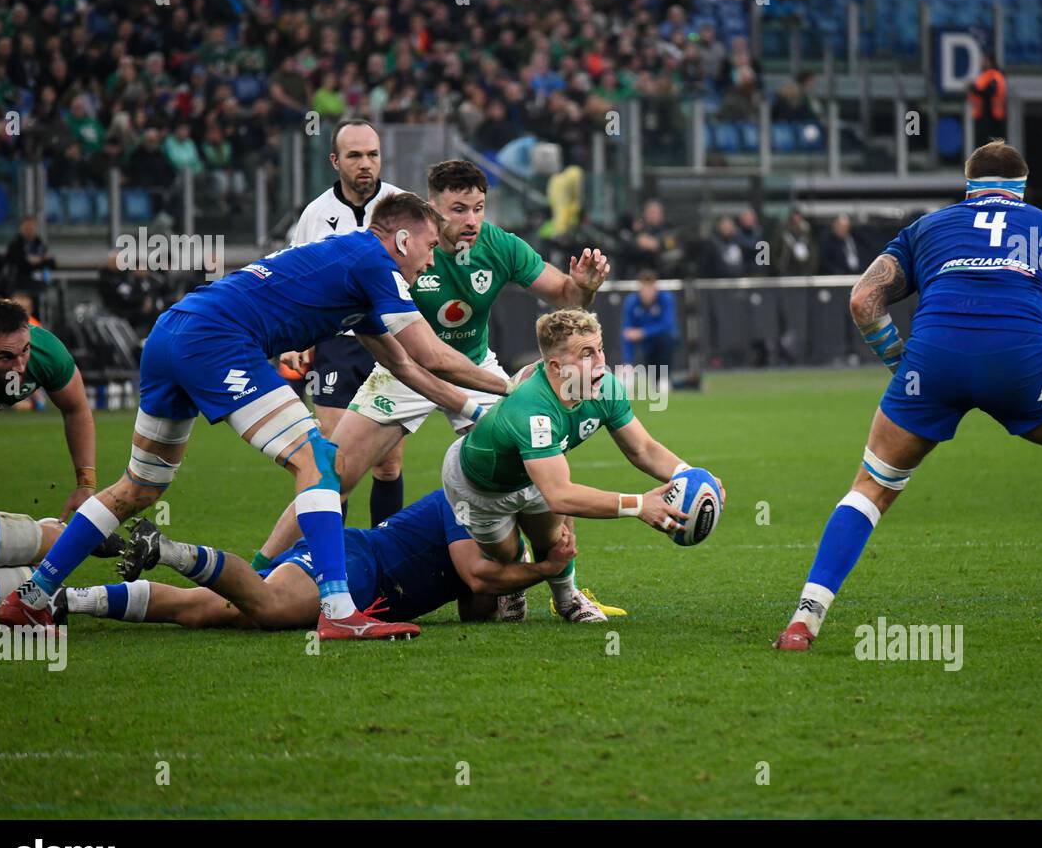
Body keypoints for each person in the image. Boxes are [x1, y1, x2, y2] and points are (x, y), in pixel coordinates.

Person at [0, 194, 516, 640]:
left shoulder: (357, 265)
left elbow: (404, 365)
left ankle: (33, 595)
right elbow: (433, 355)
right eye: (428, 248)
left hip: (172, 332)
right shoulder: (376, 264)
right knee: (318, 461)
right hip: (216, 340)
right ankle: (339, 612)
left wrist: (473, 406)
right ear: (403, 240)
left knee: (138, 487)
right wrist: (513, 385)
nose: (431, 263)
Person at [775, 141, 1042, 651]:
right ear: (1023, 185)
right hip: (1021, 364)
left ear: (968, 182)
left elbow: (863, 299)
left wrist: (903, 369)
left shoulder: (929, 227)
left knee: (872, 486)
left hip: (934, 363)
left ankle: (805, 620)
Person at [252, 159, 611, 589]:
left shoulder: (501, 246)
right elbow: (364, 312)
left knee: (543, 463)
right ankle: (260, 569)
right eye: (459, 209)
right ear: (433, 207)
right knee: (333, 472)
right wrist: (300, 339)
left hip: (474, 367)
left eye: (479, 207)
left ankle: (566, 593)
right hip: (403, 372)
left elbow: (567, 296)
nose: (472, 220)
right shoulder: (403, 248)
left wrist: (585, 286)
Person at [442, 309, 723, 622]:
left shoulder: (604, 387)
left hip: (537, 476)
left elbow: (642, 449)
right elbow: (560, 495)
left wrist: (694, 477)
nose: (600, 361)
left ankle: (567, 600)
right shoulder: (532, 408)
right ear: (555, 366)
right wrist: (639, 504)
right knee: (506, 555)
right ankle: (514, 581)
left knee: (553, 538)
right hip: (480, 487)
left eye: (600, 348)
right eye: (586, 354)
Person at [55, 490, 578, 633]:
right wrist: (541, 573)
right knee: (273, 606)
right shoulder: (468, 492)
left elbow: (472, 605)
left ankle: (72, 601)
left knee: (207, 611)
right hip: (358, 561)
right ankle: (167, 550)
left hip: (371, 584)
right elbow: (473, 574)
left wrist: (512, 586)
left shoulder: (501, 521)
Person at [279, 119, 406, 526]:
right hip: (338, 343)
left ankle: (386, 559)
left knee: (388, 466)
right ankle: (325, 563)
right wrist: (295, 338)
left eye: (372, 154)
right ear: (335, 160)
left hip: (391, 343)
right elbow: (296, 283)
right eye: (354, 156)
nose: (365, 164)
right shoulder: (315, 215)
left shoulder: (402, 207)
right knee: (335, 463)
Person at [0, 300, 98, 621]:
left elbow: (77, 408)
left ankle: (45, 556)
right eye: (6, 357)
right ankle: (33, 576)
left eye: (24, 351)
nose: (21, 365)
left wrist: (86, 485)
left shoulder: (45, 351)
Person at [621, 271, 678, 386]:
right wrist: (628, 361)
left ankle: (664, 378)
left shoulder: (666, 299)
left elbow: (667, 325)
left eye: (649, 289)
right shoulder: (631, 302)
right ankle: (628, 371)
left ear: (655, 288)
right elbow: (627, 332)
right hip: (647, 345)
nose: (646, 293)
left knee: (666, 338)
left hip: (664, 344)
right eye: (643, 289)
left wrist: (643, 332)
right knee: (653, 381)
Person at [2, 216, 56, 318]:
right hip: (20, 285)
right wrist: (37, 261)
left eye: (31, 228)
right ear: (21, 229)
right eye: (27, 228)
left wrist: (37, 261)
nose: (29, 231)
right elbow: (20, 263)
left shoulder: (39, 244)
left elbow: (52, 263)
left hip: (38, 284)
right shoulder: (16, 245)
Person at [966, 54, 1007, 148]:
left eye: (984, 60)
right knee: (982, 144)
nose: (982, 63)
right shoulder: (984, 76)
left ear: (990, 62)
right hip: (982, 115)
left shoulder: (994, 75)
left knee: (992, 145)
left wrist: (975, 89)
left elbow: (990, 91)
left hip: (992, 116)